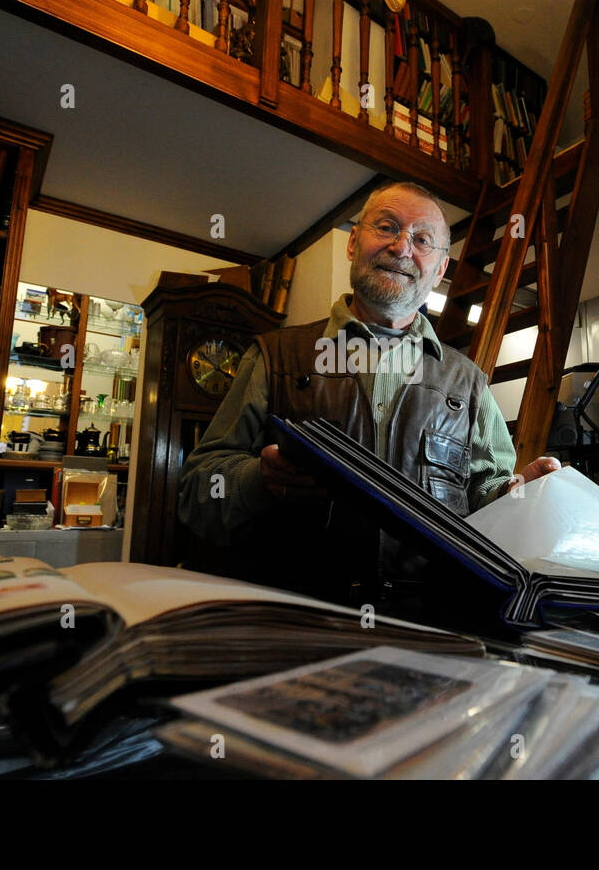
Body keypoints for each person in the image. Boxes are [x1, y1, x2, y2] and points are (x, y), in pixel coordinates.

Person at [178, 180, 560, 621]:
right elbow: (195, 492)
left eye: (422, 240)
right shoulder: (275, 356)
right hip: (299, 625)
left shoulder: (469, 382)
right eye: (386, 227)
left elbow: (484, 506)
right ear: (354, 243)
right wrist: (256, 479)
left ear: (439, 270)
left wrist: (519, 496)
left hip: (434, 627)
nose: (402, 248)